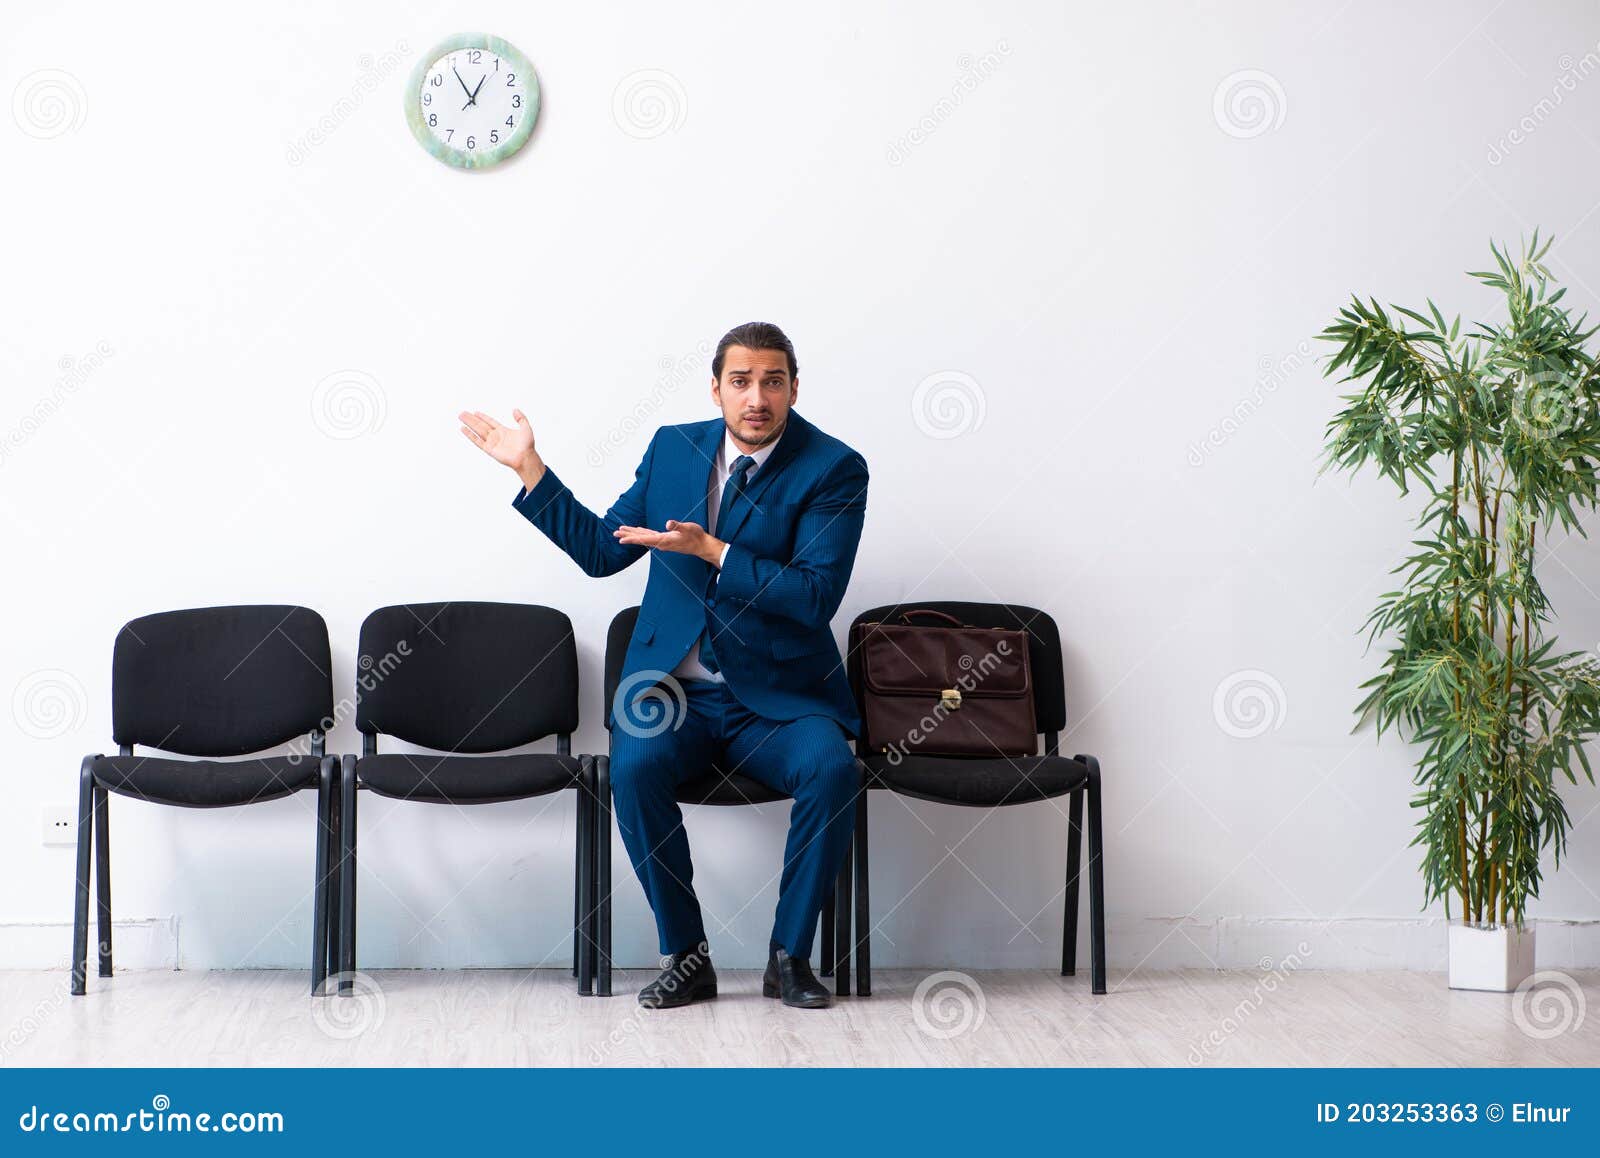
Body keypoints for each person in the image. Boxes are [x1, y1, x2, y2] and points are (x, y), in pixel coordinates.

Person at [459, 322, 869, 1008]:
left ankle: (790, 958)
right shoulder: (673, 449)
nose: (757, 398)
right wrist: (531, 469)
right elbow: (601, 551)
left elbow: (813, 595)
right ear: (717, 390)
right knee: (635, 764)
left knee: (832, 770)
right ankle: (686, 955)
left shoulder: (833, 467)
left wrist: (716, 552)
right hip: (678, 692)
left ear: (795, 388)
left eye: (773, 381)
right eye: (740, 382)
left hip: (781, 695)